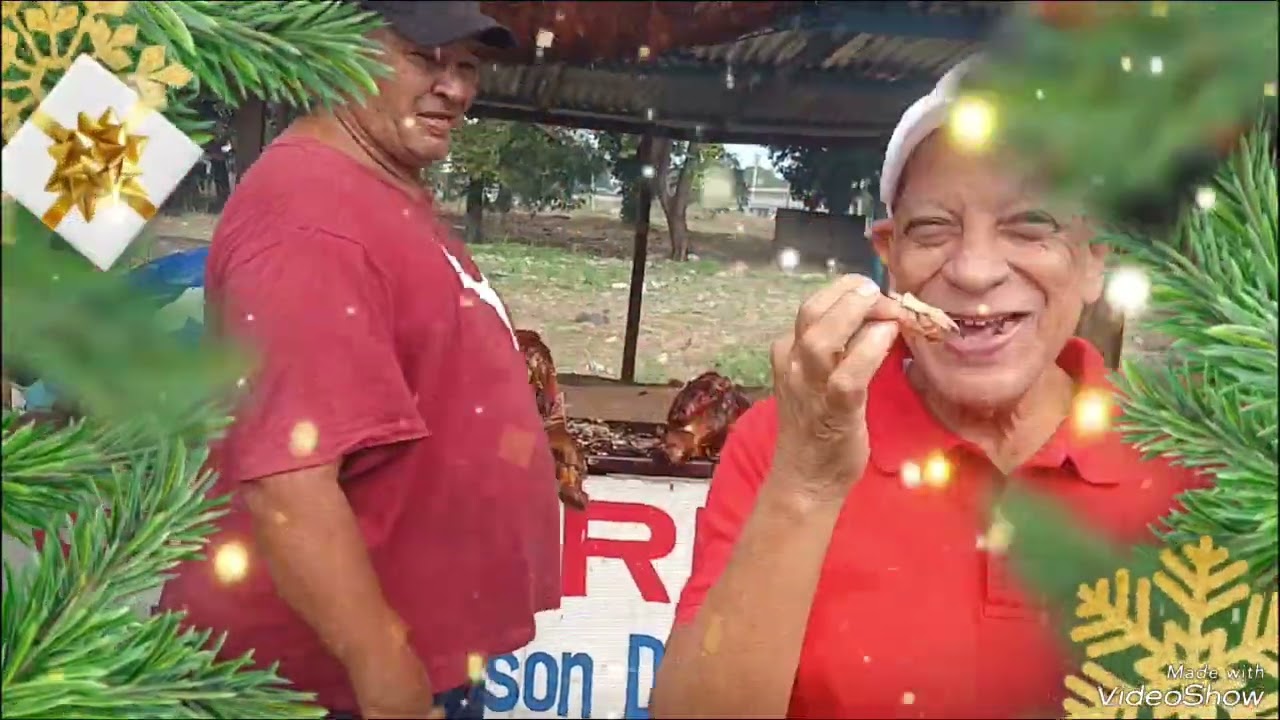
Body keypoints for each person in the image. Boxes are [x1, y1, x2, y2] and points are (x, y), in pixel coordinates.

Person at [650, 58, 1208, 718]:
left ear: (1093, 262)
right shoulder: (781, 444)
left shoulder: (1192, 463)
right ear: (889, 256)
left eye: (1031, 223)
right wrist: (807, 481)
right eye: (933, 228)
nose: (973, 271)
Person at [156, 3, 561, 719]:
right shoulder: (308, 220)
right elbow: (290, 484)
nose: (456, 89)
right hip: (319, 689)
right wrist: (384, 672)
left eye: (467, 66)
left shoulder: (373, 187)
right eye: (425, 58)